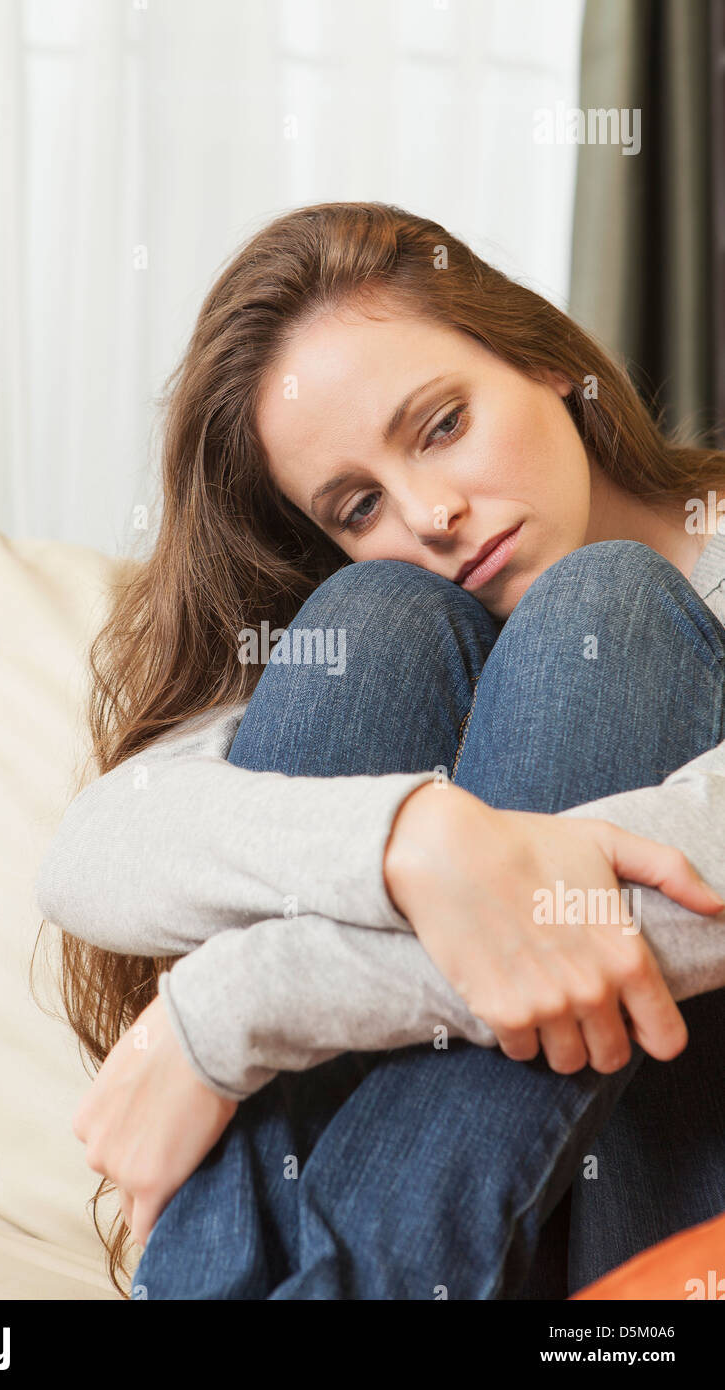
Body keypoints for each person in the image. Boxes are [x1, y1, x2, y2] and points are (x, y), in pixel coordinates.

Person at [35, 202, 725, 1299]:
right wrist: (414, 838)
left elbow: (698, 897)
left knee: (608, 611)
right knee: (372, 622)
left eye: (440, 424)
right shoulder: (410, 621)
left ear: (542, 359)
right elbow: (94, 851)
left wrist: (234, 1006)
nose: (430, 513)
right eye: (356, 504)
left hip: (653, 1241)